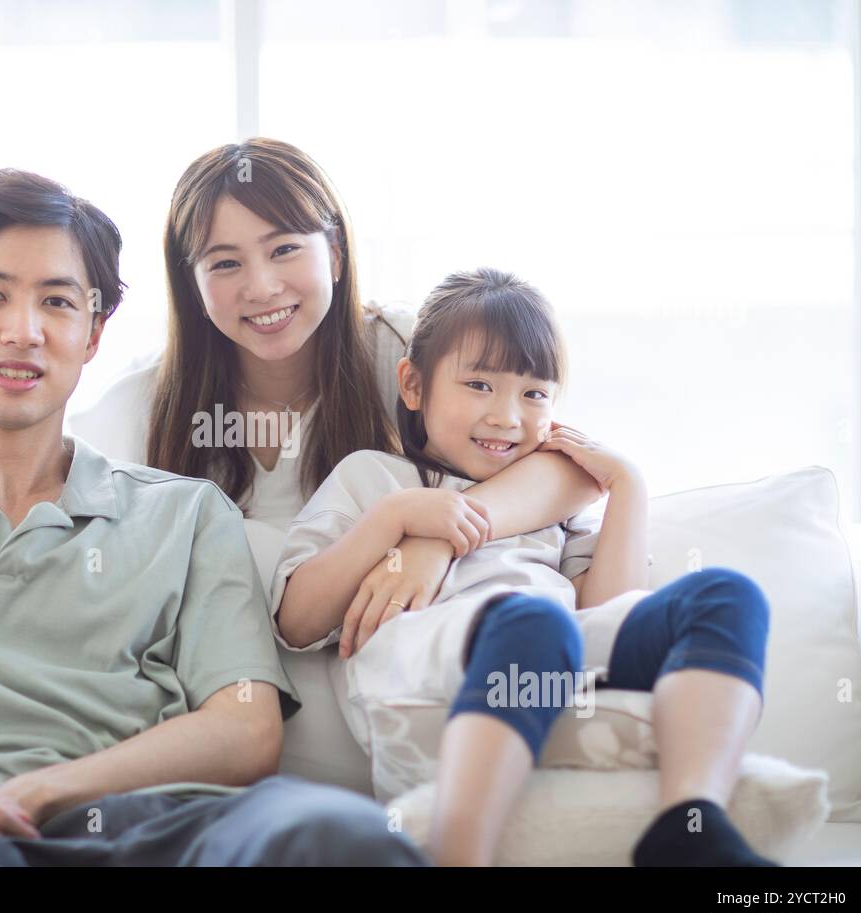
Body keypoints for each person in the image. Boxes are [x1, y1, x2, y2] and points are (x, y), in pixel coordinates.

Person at [0, 168, 426, 867]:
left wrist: (49, 789)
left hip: (161, 828)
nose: (23, 331)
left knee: (338, 833)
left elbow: (245, 728)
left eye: (58, 303)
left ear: (92, 335)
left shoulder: (184, 512)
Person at [67, 141, 605, 778]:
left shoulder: (400, 350)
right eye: (224, 262)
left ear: (338, 253)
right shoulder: (141, 406)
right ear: (192, 283)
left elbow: (570, 464)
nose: (262, 286)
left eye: (285, 248)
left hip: (426, 659)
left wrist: (442, 535)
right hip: (260, 705)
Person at [272, 267, 774, 867]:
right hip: (431, 679)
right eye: (479, 384)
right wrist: (394, 519)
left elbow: (609, 612)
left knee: (725, 594)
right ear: (413, 385)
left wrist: (626, 485)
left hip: (556, 666)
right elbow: (296, 620)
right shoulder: (374, 478)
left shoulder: (558, 505)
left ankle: (693, 824)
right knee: (532, 620)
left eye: (534, 393)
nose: (508, 416)